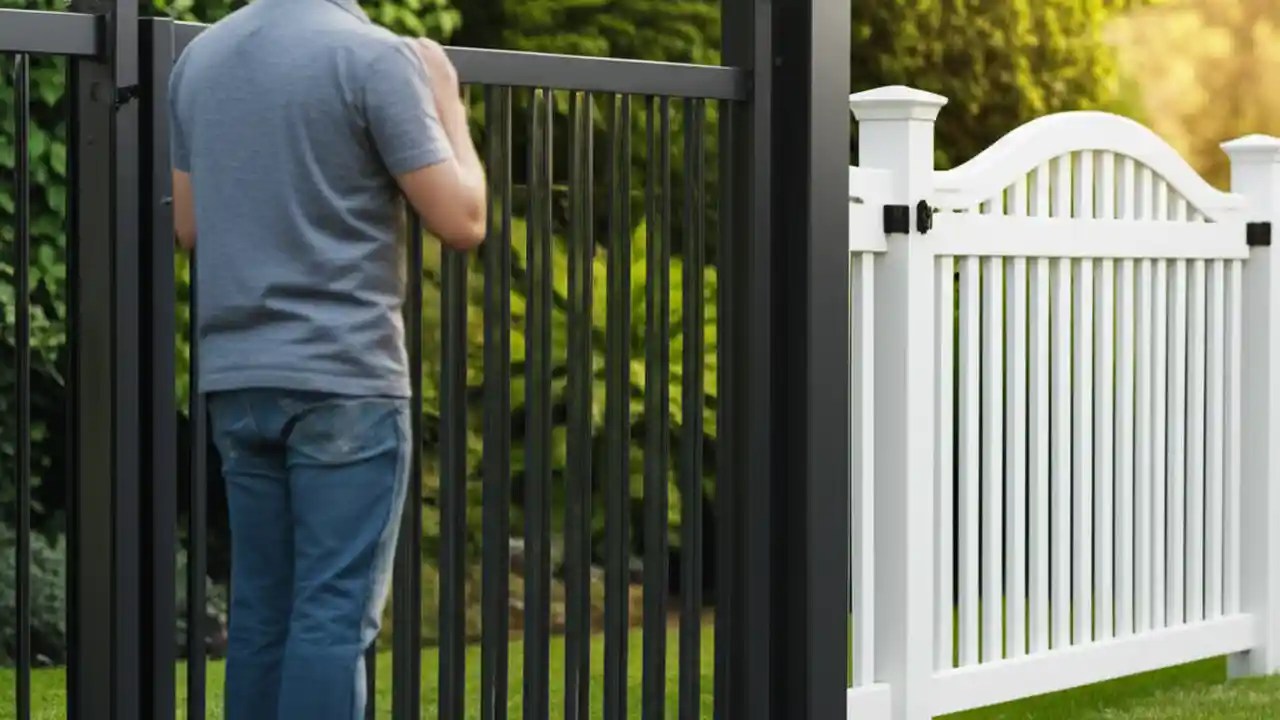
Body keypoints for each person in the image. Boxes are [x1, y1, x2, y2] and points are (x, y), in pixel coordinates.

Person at [168, 0, 486, 716]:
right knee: (332, 617)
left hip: (238, 377)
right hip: (344, 381)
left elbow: (188, 226)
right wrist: (447, 102)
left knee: (261, 613)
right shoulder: (376, 58)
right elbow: (463, 220)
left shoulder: (200, 61)